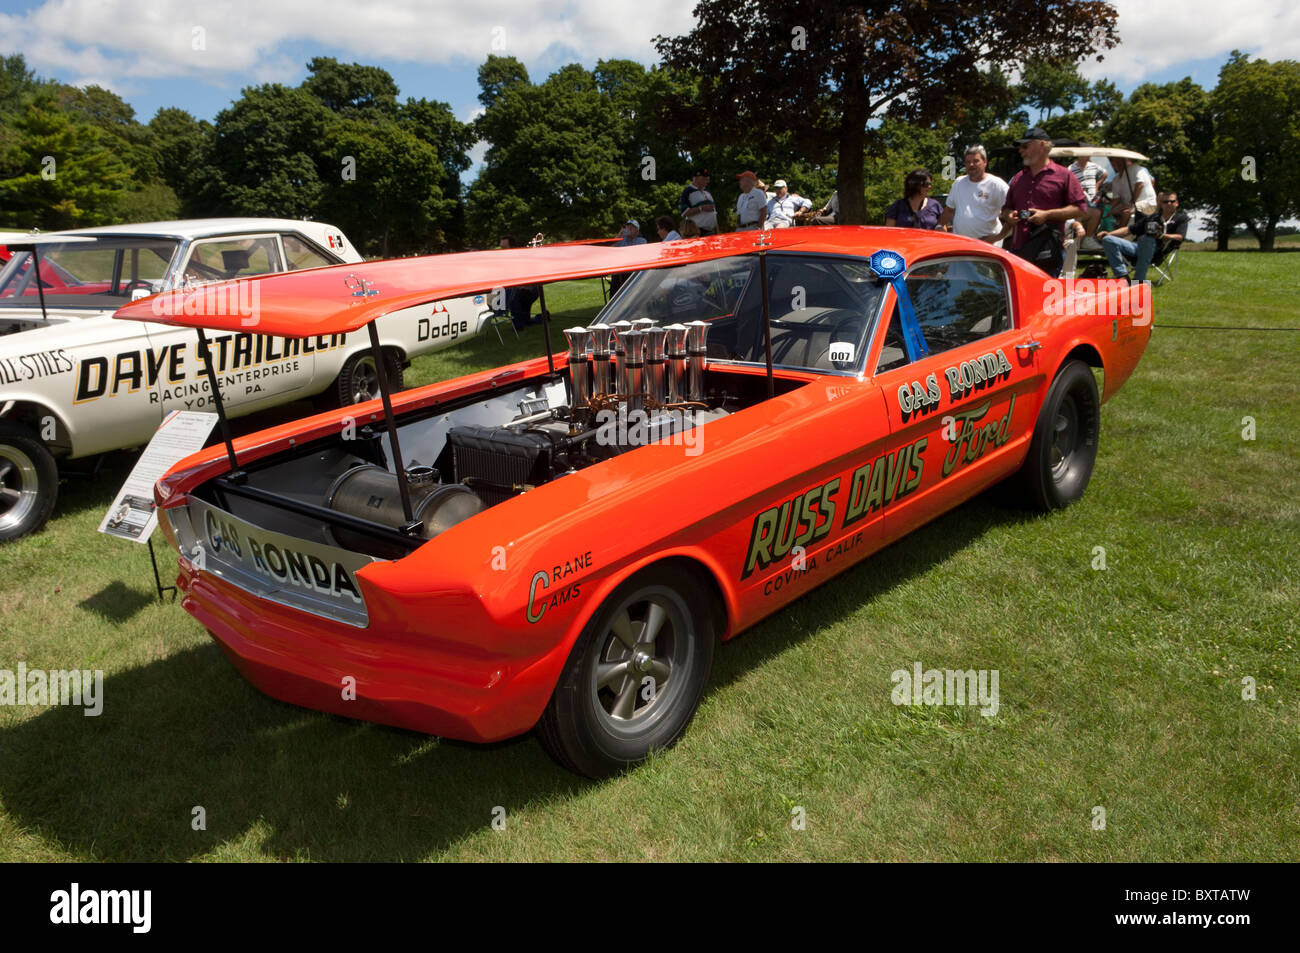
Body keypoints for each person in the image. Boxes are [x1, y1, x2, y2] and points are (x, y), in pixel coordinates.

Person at [998, 127, 1086, 276]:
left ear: (1042, 145)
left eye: (1025, 146)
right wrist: (1008, 215)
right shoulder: (1018, 178)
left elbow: (1079, 208)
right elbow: (1006, 208)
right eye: (1020, 147)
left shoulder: (1064, 175)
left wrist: (1046, 215)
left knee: (1046, 297)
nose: (1021, 150)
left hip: (1048, 250)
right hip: (1018, 250)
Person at [1098, 190, 1188, 283]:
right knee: (1108, 240)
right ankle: (1122, 276)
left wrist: (1161, 236)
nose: (1168, 203)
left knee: (1147, 239)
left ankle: (1138, 280)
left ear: (1176, 203)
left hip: (1158, 250)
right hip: (1137, 246)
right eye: (1165, 202)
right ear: (1161, 204)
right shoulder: (1153, 217)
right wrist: (1109, 234)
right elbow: (1129, 229)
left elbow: (1180, 237)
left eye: (1172, 201)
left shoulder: (1181, 218)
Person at [937, 146, 1008, 243]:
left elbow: (1013, 214)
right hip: (961, 243)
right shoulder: (958, 182)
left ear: (985, 162)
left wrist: (998, 237)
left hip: (989, 245)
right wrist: (939, 225)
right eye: (967, 162)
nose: (971, 165)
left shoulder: (997, 185)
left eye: (976, 161)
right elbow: (949, 210)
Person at [497, 235, 542, 329]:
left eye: (504, 247)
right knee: (527, 321)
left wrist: (519, 286)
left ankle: (518, 326)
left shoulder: (520, 259)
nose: (501, 250)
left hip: (530, 290)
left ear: (511, 247)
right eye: (501, 247)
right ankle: (543, 316)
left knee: (513, 295)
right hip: (519, 290)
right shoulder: (504, 260)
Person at [1107, 157, 1157, 229]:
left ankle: (1118, 234)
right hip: (1129, 204)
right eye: (1113, 161)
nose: (1116, 164)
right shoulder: (1116, 179)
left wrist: (1132, 203)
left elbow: (1140, 184)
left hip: (1146, 203)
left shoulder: (1135, 168)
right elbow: (1116, 199)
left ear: (1124, 161)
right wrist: (1107, 209)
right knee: (1108, 212)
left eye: (1119, 161)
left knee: (1126, 212)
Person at [1067, 154, 1108, 236]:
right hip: (1079, 199)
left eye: (1088, 156)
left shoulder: (1094, 166)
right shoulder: (1071, 168)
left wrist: (1097, 185)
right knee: (1088, 215)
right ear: (1079, 156)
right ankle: (1086, 238)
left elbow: (1105, 173)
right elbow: (1068, 184)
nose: (1087, 157)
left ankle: (1089, 237)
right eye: (1085, 155)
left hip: (1093, 198)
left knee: (1099, 213)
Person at [679, 169, 718, 235]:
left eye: (707, 178)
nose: (707, 180)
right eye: (704, 178)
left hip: (712, 232)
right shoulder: (687, 191)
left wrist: (717, 232)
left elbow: (714, 214)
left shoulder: (707, 192)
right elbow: (684, 212)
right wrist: (701, 208)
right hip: (698, 233)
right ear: (695, 178)